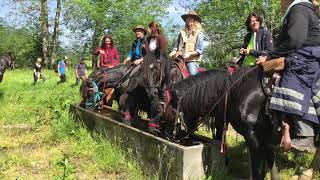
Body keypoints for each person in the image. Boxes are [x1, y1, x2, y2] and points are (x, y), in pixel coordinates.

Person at [257, 0, 320, 152]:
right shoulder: (304, 9)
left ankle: (305, 135)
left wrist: (270, 56)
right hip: (307, 54)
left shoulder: (298, 9)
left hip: (305, 57)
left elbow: (294, 41)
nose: (280, 4)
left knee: (291, 83)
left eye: (281, 1)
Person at [169, 10, 204, 75]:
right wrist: (168, 56)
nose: (188, 19)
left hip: (192, 60)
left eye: (190, 18)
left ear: (195, 20)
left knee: (192, 75)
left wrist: (189, 54)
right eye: (187, 18)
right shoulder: (182, 32)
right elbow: (176, 48)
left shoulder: (199, 33)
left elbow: (200, 50)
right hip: (179, 58)